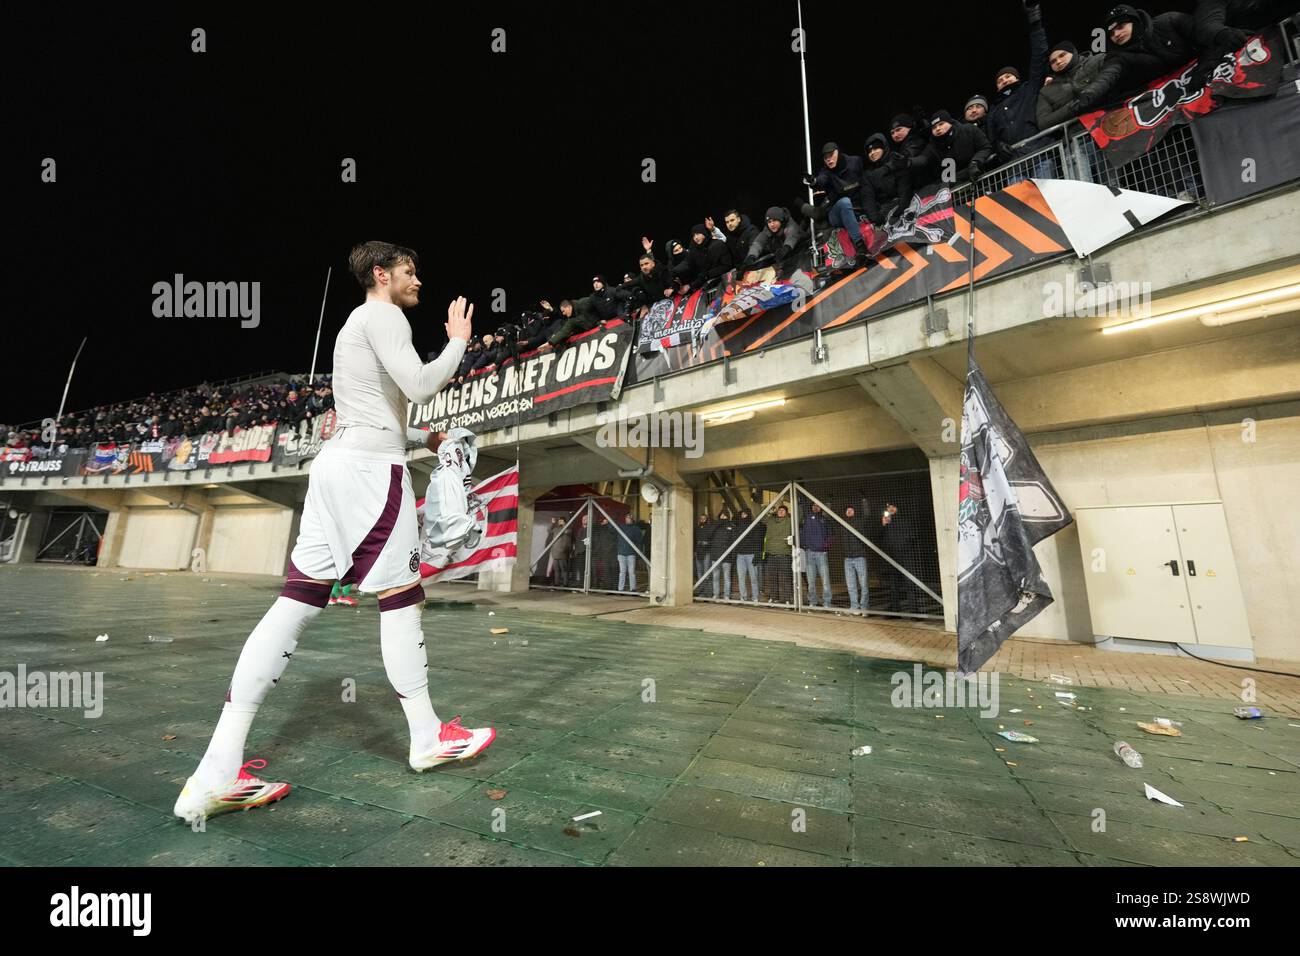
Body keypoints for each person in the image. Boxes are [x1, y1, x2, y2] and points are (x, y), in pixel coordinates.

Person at [173, 242, 494, 825]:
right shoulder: (383, 314)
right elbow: (421, 386)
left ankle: (214, 772)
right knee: (400, 599)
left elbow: (385, 409)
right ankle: (426, 737)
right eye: (409, 272)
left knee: (293, 605)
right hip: (371, 475)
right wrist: (457, 342)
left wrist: (428, 441)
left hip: (338, 467)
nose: (417, 280)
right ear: (382, 275)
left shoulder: (360, 324)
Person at [1075, 5, 1198, 113]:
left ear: (1135, 22)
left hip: (1202, 83)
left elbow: (1207, 36)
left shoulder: (1169, 22)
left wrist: (1207, 65)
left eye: (1120, 26)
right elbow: (1107, 75)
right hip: (1170, 107)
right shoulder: (1117, 58)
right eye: (1111, 33)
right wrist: (1089, 94)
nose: (1116, 34)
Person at [987, 1, 1049, 163]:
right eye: (1000, 80)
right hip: (1013, 164)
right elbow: (991, 137)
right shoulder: (994, 109)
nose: (1004, 80)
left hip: (1040, 154)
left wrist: (1035, 20)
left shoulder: (1028, 89)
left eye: (1008, 76)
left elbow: (1039, 56)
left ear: (1017, 78)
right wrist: (998, 146)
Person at [809, 142, 869, 262]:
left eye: (831, 155)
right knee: (844, 202)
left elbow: (865, 185)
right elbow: (821, 180)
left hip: (857, 207)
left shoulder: (855, 162)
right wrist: (814, 181)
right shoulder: (825, 171)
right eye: (826, 158)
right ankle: (860, 245)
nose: (829, 160)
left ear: (838, 152)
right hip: (836, 213)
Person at [1037, 40, 1107, 129]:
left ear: (1073, 52)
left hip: (1114, 120)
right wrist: (1073, 106)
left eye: (1062, 55)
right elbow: (1043, 123)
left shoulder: (1098, 60)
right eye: (1053, 61)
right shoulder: (1046, 91)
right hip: (1079, 136)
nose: (1058, 61)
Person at [921, 110, 995, 187]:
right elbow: (923, 160)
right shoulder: (932, 147)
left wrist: (975, 162)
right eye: (934, 127)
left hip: (981, 180)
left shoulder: (968, 130)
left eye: (941, 124)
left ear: (950, 123)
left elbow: (985, 147)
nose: (938, 129)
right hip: (955, 190)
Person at [744, 207, 806, 280]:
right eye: (769, 222)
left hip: (802, 254)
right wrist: (751, 256)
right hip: (787, 262)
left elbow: (792, 236)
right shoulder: (768, 230)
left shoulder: (790, 225)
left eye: (774, 220)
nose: (772, 224)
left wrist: (786, 247)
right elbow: (758, 242)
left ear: (781, 219)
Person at [881, 502, 917, 613]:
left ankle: (914, 610)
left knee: (910, 583)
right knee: (893, 585)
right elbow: (880, 538)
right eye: (889, 507)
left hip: (905, 556)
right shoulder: (886, 522)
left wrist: (905, 547)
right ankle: (895, 610)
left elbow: (911, 537)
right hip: (892, 557)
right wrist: (883, 525)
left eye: (893, 506)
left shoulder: (905, 519)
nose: (891, 509)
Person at [800, 502, 832, 608]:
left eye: (818, 506)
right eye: (813, 505)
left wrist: (825, 546)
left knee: (825, 579)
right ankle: (813, 601)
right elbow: (804, 504)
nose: (815, 507)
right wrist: (804, 544)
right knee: (811, 580)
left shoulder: (825, 520)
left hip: (821, 553)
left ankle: (827, 602)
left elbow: (831, 534)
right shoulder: (807, 517)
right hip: (809, 552)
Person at [842, 504, 871, 614]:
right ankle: (854, 606)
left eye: (851, 509)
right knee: (851, 584)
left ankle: (864, 607)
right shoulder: (842, 523)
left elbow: (867, 515)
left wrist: (864, 501)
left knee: (863, 583)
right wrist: (829, 503)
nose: (849, 511)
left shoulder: (859, 521)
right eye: (847, 510)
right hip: (848, 559)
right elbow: (830, 518)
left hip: (859, 557)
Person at [764, 503, 794, 605]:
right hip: (772, 554)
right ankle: (774, 597)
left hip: (784, 554)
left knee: (786, 578)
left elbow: (798, 517)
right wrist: (770, 509)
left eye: (783, 511)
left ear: (787, 513)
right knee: (772, 578)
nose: (780, 512)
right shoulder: (771, 521)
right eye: (779, 510)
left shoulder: (789, 521)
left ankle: (787, 599)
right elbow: (762, 517)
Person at [734, 507, 764, 603]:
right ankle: (743, 597)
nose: (743, 515)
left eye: (745, 514)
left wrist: (757, 554)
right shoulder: (738, 526)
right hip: (740, 556)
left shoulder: (754, 526)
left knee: (753, 577)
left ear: (748, 515)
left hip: (751, 554)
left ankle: (755, 597)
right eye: (742, 514)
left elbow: (758, 541)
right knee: (741, 577)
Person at [709, 509, 738, 600]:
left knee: (727, 577)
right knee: (715, 577)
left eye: (725, 515)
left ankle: (726, 595)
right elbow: (709, 535)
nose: (723, 517)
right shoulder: (715, 525)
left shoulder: (731, 526)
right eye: (721, 515)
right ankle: (716, 595)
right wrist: (717, 524)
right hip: (715, 555)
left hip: (727, 557)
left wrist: (732, 555)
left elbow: (734, 541)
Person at [615, 512, 645, 592]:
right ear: (625, 518)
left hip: (631, 553)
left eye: (630, 517)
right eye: (627, 517)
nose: (628, 519)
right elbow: (612, 529)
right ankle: (621, 589)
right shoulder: (621, 527)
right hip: (622, 553)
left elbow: (639, 541)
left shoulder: (636, 529)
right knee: (623, 572)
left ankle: (632, 589)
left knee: (631, 572)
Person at [693, 511, 714, 596]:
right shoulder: (697, 528)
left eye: (704, 518)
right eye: (701, 518)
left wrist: (706, 543)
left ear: (707, 519)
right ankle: (701, 591)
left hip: (706, 552)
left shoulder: (709, 528)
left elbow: (711, 539)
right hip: (698, 552)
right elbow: (694, 540)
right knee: (699, 573)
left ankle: (708, 592)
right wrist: (694, 551)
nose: (702, 520)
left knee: (706, 573)